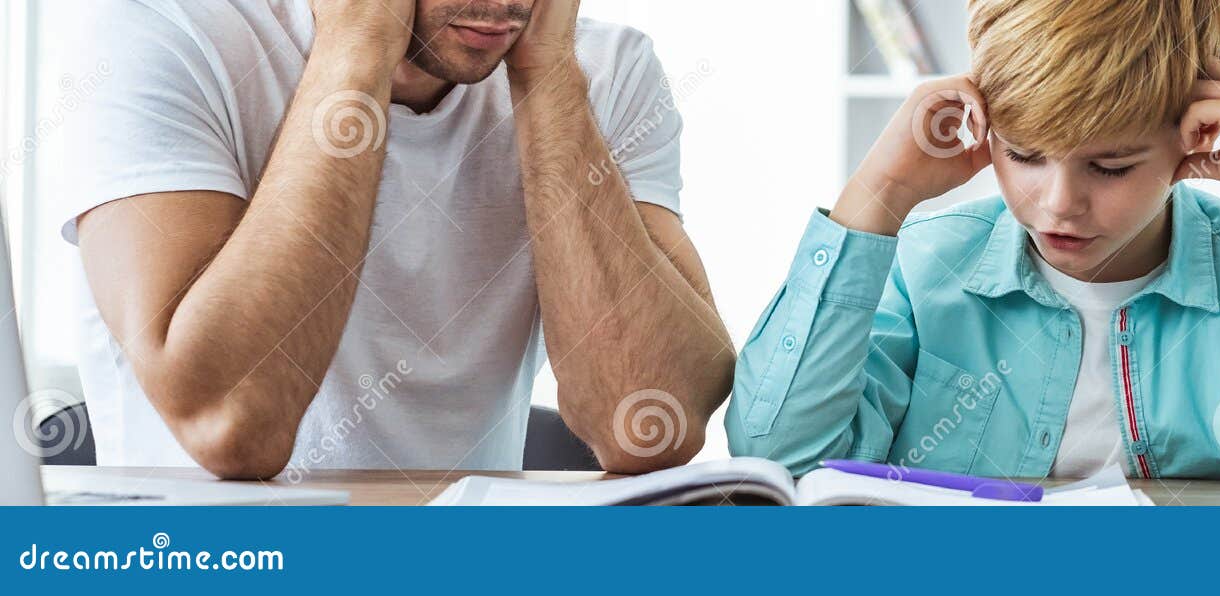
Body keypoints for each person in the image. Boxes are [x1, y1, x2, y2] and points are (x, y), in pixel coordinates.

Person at [726, 0, 1220, 497]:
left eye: (1112, 167)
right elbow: (779, 457)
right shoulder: (924, 262)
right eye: (1023, 154)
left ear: (1197, 132)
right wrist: (879, 192)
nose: (1059, 202)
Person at [60, 0, 733, 479]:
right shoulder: (163, 31)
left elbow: (648, 423)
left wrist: (550, 76)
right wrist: (356, 48)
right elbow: (229, 424)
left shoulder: (602, 68)